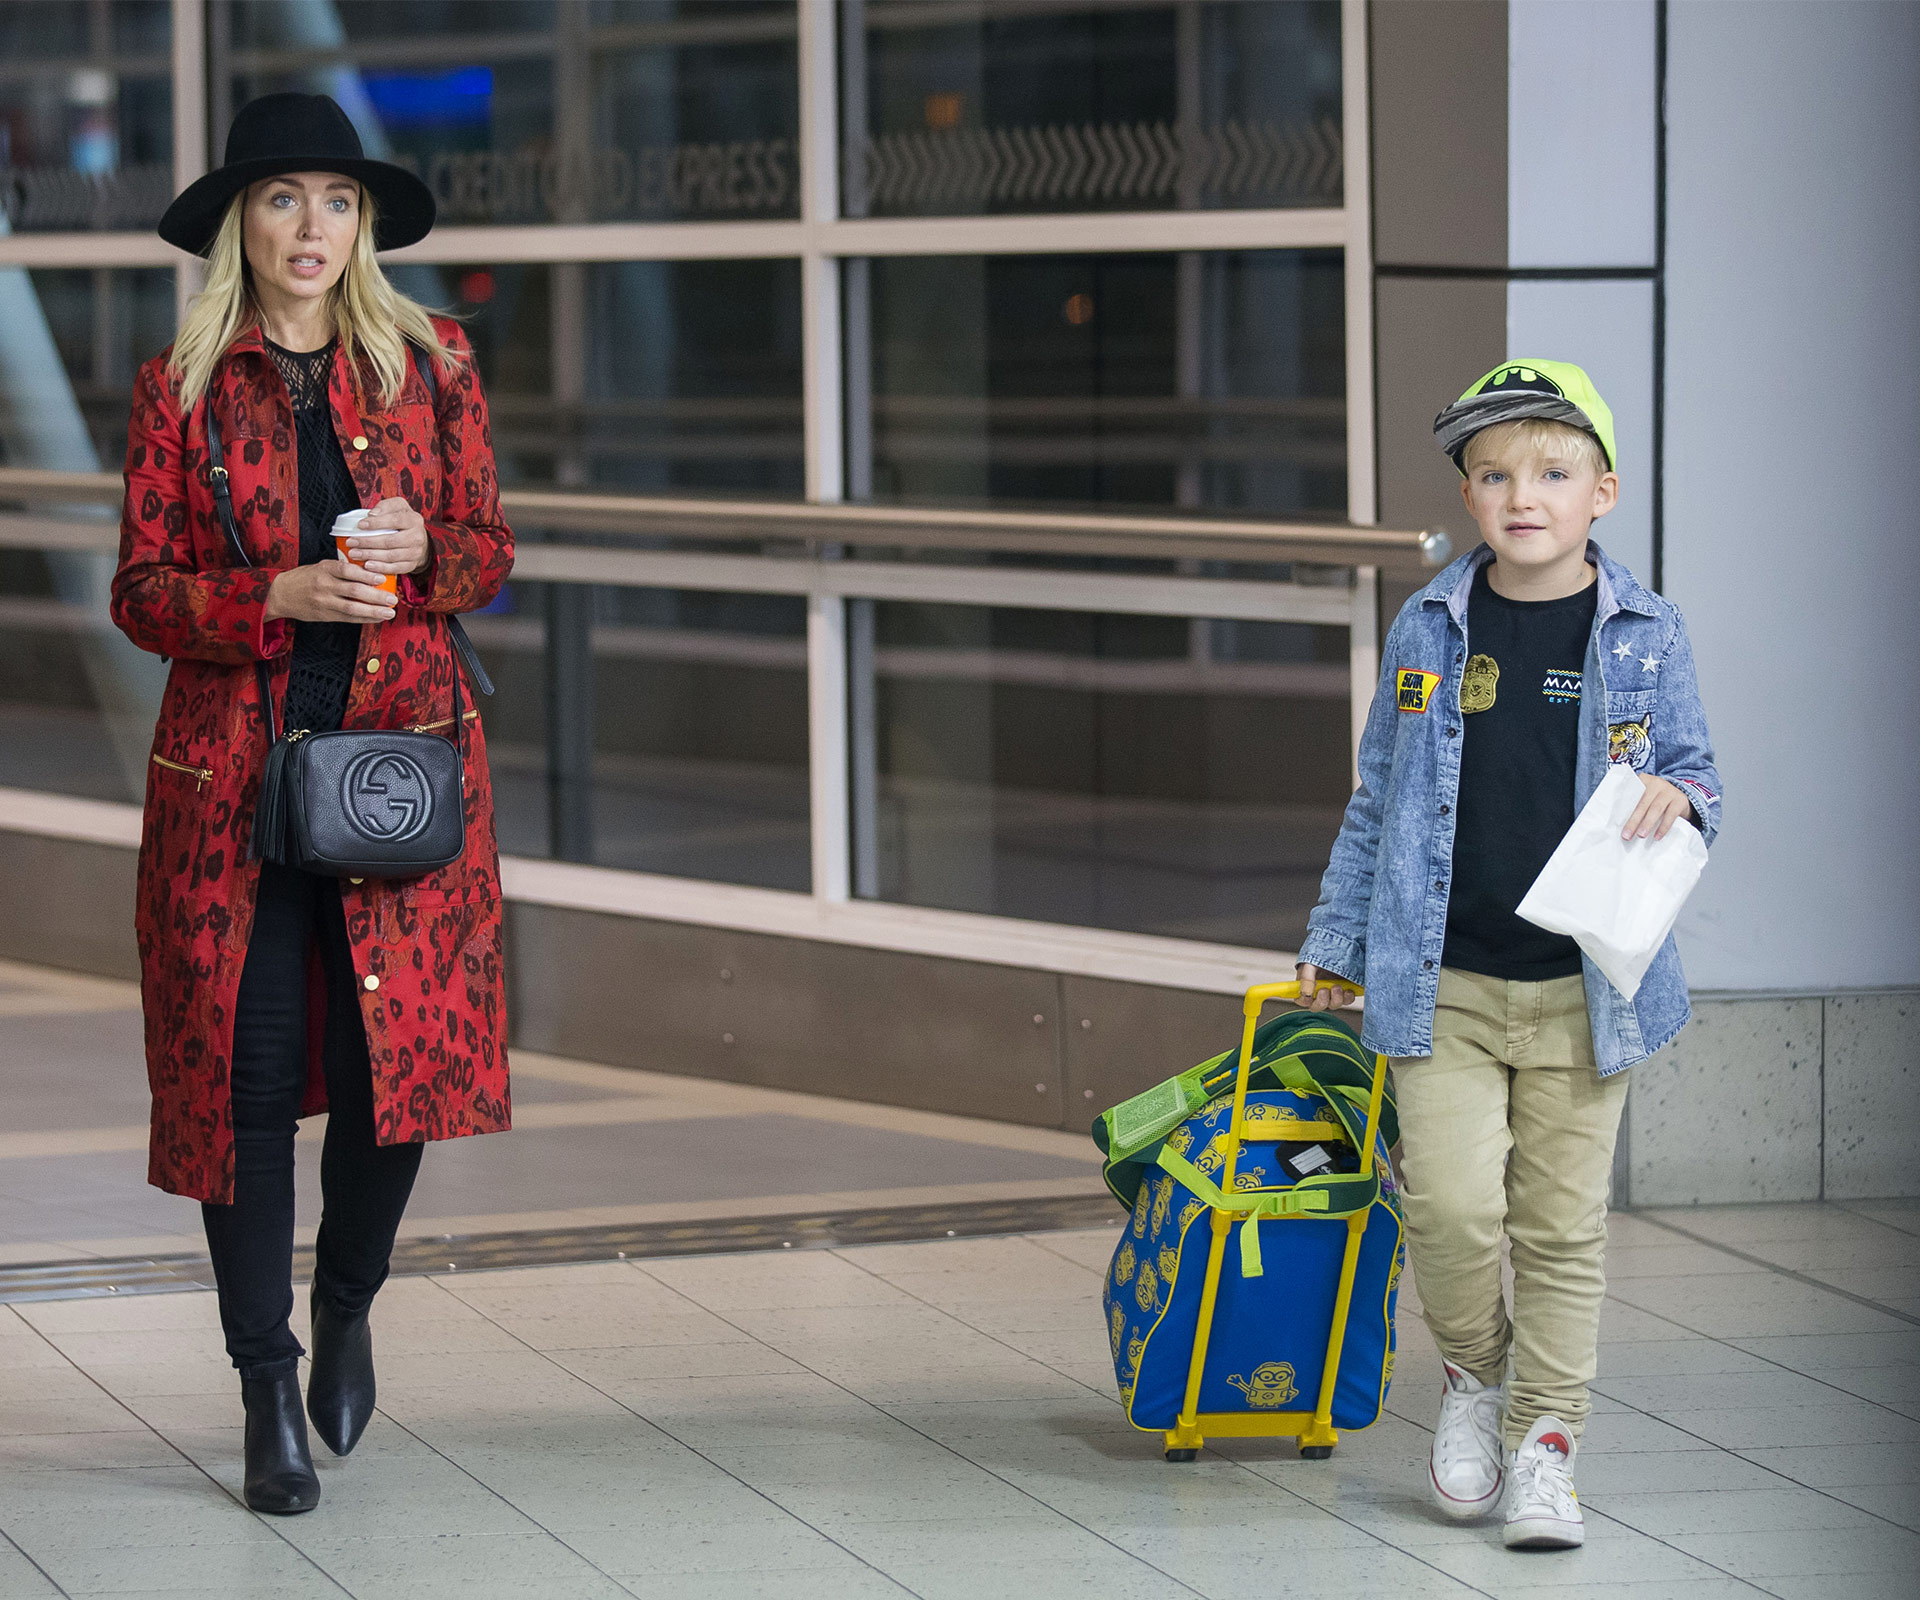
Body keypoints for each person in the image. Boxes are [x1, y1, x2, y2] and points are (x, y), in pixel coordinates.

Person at [111, 93, 514, 1515]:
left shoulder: (431, 362)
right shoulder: (180, 383)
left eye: (333, 202)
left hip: (397, 782)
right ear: (241, 222)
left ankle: (349, 1300)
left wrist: (425, 554)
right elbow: (143, 592)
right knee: (244, 1092)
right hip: (230, 798)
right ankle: (265, 1382)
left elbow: (487, 548)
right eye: (281, 200)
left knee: (396, 1087)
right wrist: (266, 596)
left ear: (363, 226)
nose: (309, 228)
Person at [1295, 361, 1719, 1549]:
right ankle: (1476, 1382)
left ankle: (1546, 1442)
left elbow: (1700, 776)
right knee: (1449, 1215)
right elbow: (1379, 797)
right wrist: (1336, 940)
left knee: (1561, 1228)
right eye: (1493, 474)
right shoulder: (1431, 620)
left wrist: (1679, 802)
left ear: (1604, 491)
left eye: (1551, 470)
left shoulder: (1646, 630)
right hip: (1444, 982)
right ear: (1470, 498)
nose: (1521, 493)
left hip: (1590, 992)